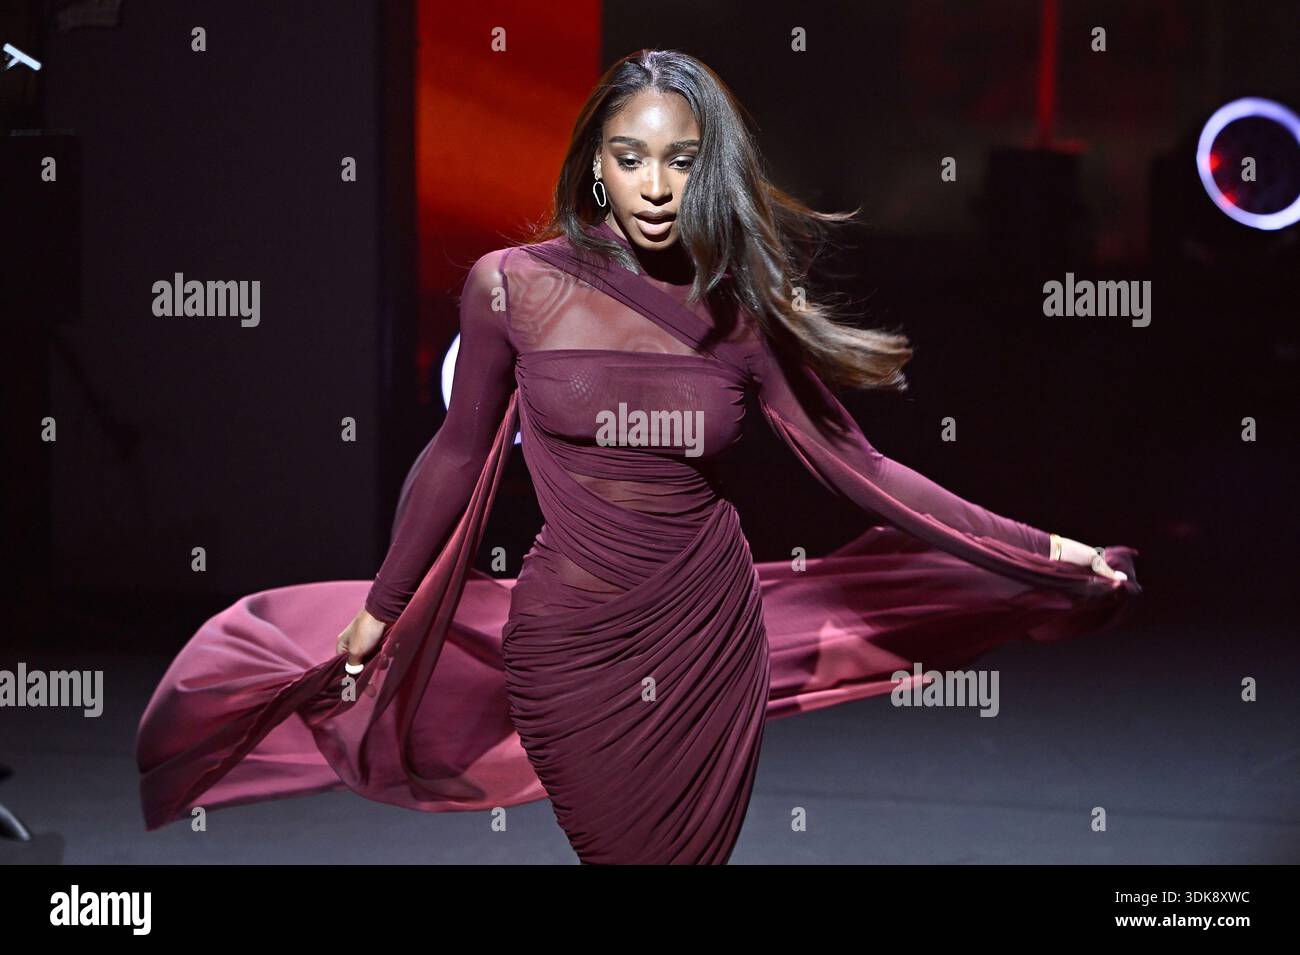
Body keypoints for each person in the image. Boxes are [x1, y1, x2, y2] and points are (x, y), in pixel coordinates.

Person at [137, 50, 1140, 864]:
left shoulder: (735, 312)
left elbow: (863, 471)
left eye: (680, 162)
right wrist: (384, 608)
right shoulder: (508, 289)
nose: (656, 187)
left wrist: (1043, 549)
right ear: (591, 167)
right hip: (569, 644)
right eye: (630, 158)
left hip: (707, 642)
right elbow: (454, 458)